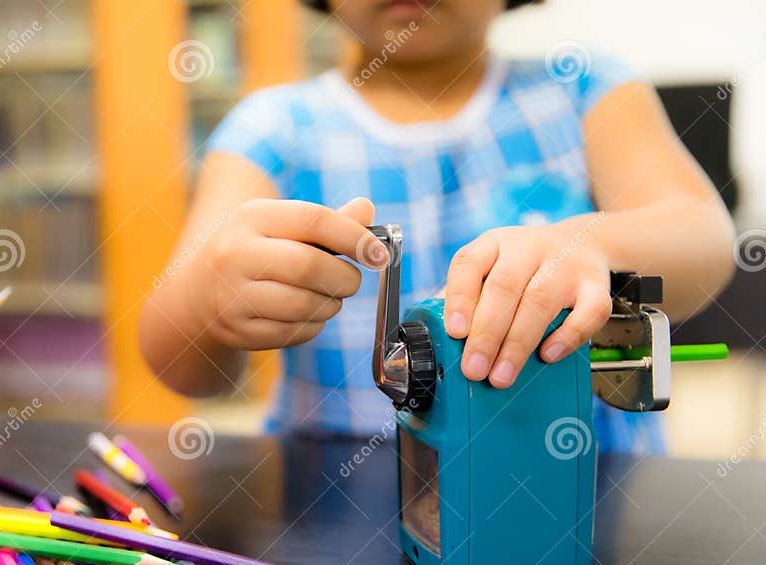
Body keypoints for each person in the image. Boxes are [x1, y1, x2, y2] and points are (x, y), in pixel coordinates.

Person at [139, 0, 735, 453]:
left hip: (580, 482)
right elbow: (176, 361)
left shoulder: (584, 88)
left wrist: (592, 247)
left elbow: (703, 239)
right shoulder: (271, 129)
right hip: (332, 496)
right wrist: (205, 304)